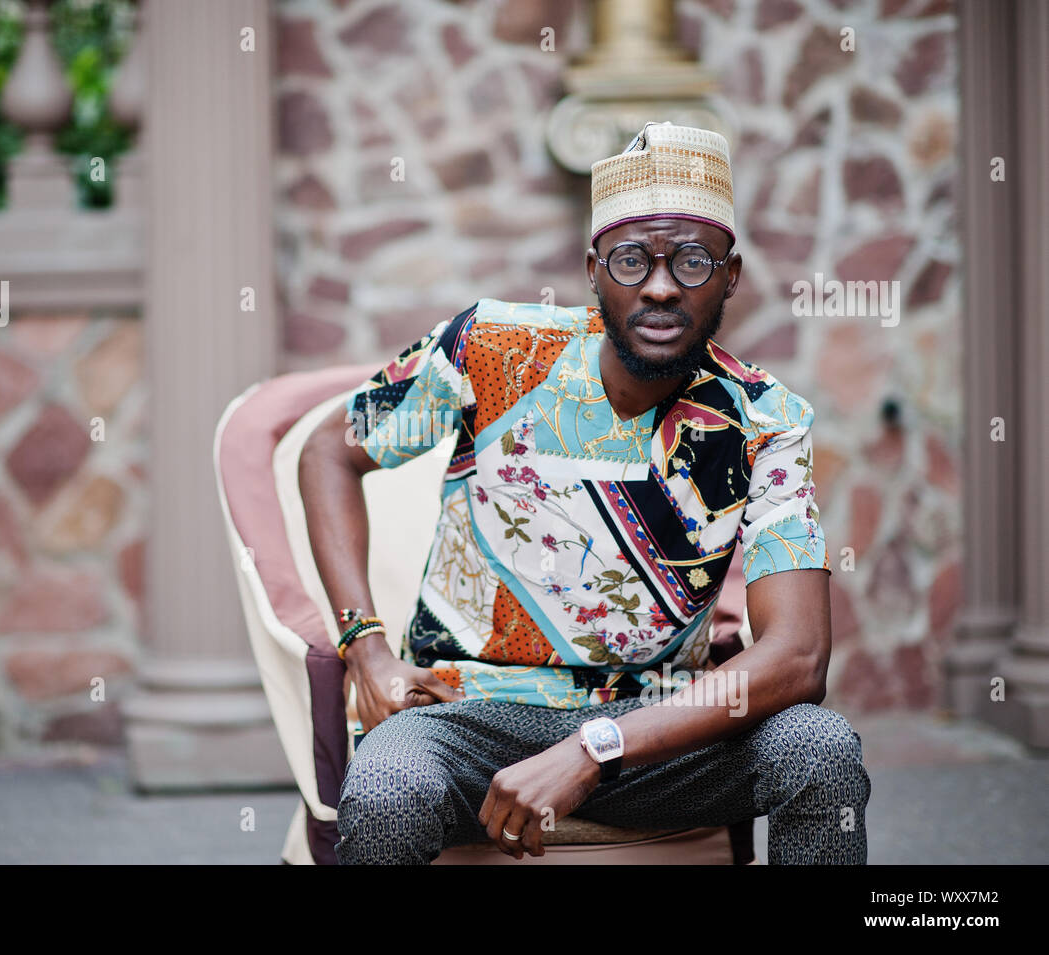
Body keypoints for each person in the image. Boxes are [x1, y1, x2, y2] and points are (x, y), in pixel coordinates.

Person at [298, 120, 870, 865]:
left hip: (660, 729)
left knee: (819, 750)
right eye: (633, 259)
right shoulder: (491, 351)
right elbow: (328, 452)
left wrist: (597, 745)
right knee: (386, 789)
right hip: (468, 715)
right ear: (593, 270)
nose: (661, 286)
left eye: (692, 260)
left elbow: (798, 657)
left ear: (731, 276)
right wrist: (363, 647)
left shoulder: (764, 420)